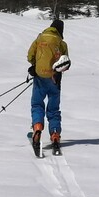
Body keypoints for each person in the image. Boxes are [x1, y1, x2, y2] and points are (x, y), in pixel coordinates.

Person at [26, 17, 70, 157]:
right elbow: (66, 63)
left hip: (39, 78)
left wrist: (35, 66)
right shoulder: (61, 43)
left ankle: (37, 129)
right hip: (55, 80)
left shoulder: (40, 38)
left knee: (37, 105)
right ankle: (55, 135)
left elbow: (29, 56)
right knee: (53, 109)